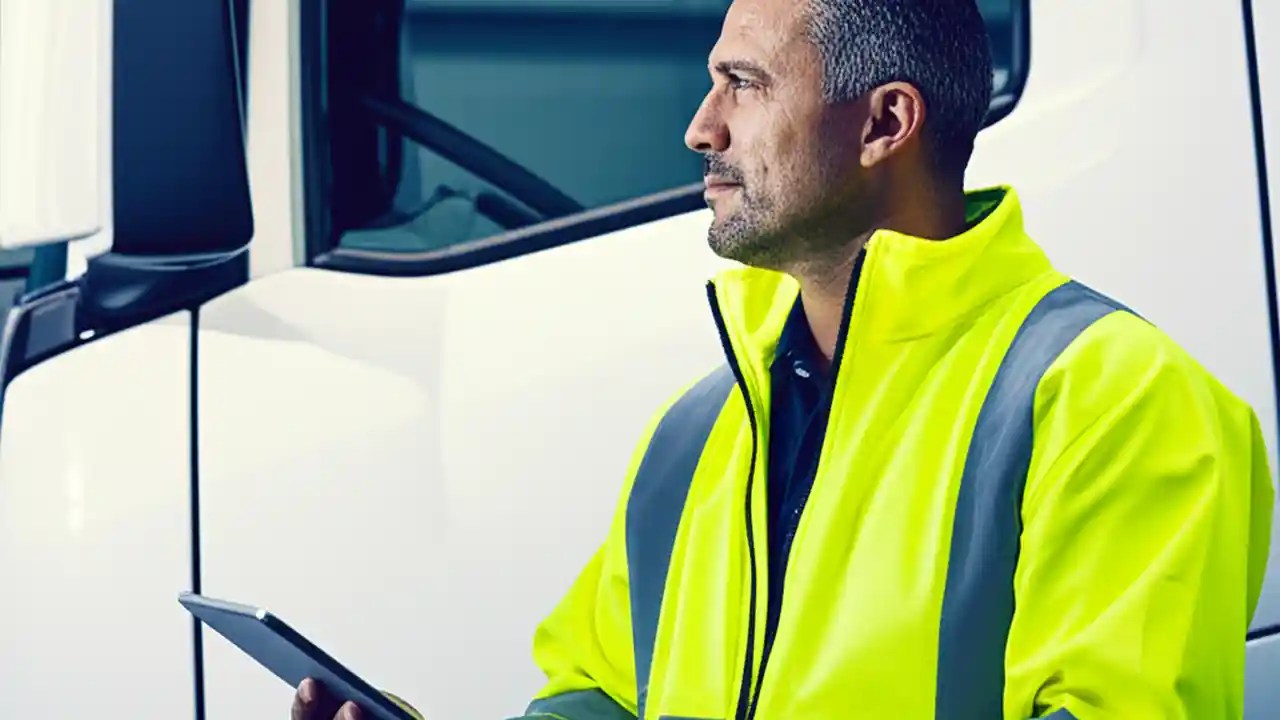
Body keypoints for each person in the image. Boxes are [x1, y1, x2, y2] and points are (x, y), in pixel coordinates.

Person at [293, 0, 1276, 717]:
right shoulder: (698, 434)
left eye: (743, 84)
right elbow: (599, 697)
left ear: (884, 124)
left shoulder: (1117, 404)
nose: (699, 127)